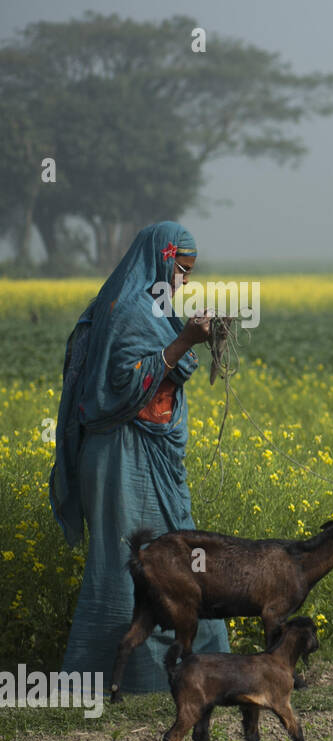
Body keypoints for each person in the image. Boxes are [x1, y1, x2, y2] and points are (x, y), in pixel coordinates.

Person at [49, 221, 230, 692]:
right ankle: (116, 678)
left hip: (155, 450)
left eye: (190, 272)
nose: (185, 280)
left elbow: (167, 368)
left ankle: (197, 667)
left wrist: (199, 338)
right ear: (160, 262)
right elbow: (123, 386)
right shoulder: (127, 311)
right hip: (119, 456)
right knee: (124, 562)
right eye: (181, 269)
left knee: (184, 554)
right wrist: (186, 340)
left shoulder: (157, 312)